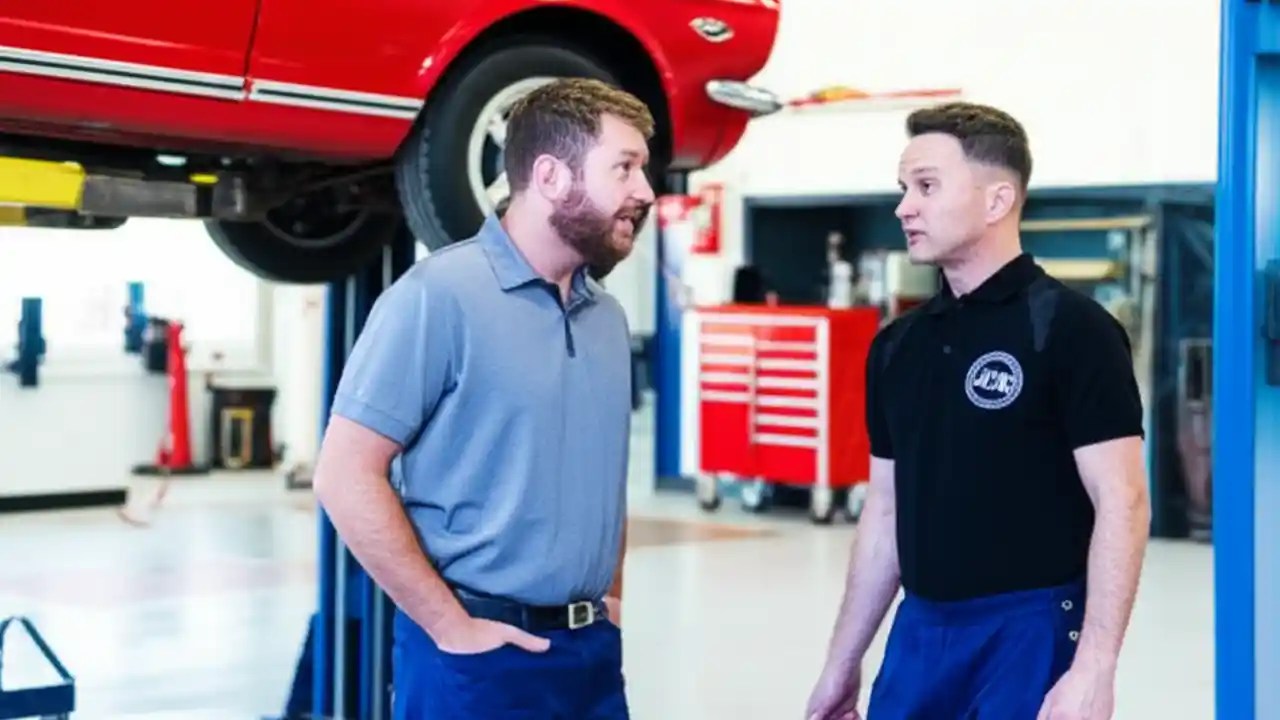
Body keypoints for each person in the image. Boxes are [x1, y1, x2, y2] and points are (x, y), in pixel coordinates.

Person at [310, 77, 657, 719]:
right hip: (475, 655)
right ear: (550, 176)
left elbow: (600, 480)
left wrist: (608, 602)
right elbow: (343, 473)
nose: (645, 191)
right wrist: (449, 626)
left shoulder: (605, 318)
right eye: (625, 167)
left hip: (590, 659)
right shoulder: (437, 297)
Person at [805, 102, 1151, 720]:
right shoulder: (897, 348)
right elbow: (884, 512)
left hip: (1030, 633)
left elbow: (1122, 501)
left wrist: (1095, 668)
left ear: (997, 201)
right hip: (921, 635)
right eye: (903, 188)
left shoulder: (1072, 330)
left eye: (927, 186)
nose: (904, 207)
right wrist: (842, 662)